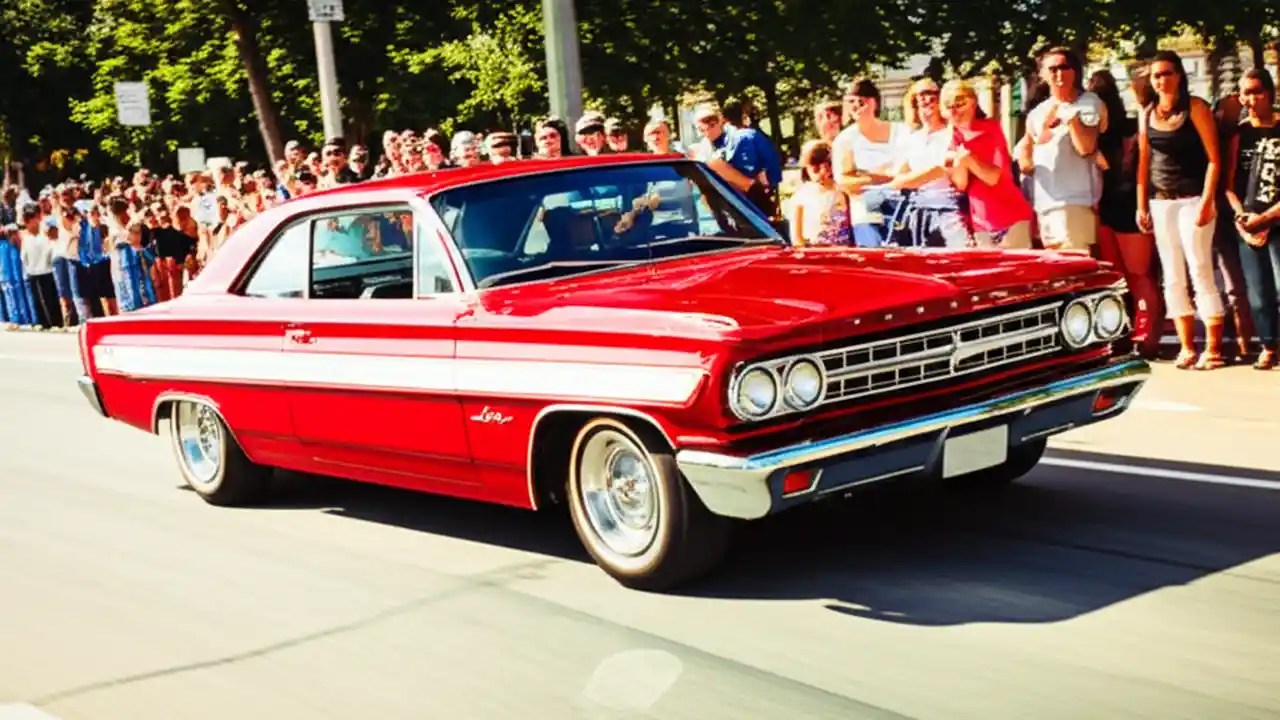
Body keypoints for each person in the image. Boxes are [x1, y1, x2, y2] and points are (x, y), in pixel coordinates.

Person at [1136, 50, 1225, 370]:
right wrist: (1141, 203)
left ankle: (1212, 347)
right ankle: (1187, 347)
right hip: (1161, 202)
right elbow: (1144, 162)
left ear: (1179, 75)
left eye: (1167, 73)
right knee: (1172, 275)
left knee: (1200, 268)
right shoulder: (1147, 113)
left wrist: (1207, 200)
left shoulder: (1196, 108)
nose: (1162, 80)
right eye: (1156, 75)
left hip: (1192, 199)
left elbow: (1214, 158)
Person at [1224, 68, 1280, 369]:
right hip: (1248, 222)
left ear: (1270, 93)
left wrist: (1268, 217)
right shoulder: (1239, 134)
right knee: (1259, 293)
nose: (1251, 99)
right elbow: (1229, 184)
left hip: (1275, 218)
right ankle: (1269, 346)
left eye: (1257, 91)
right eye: (1245, 93)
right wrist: (1242, 218)